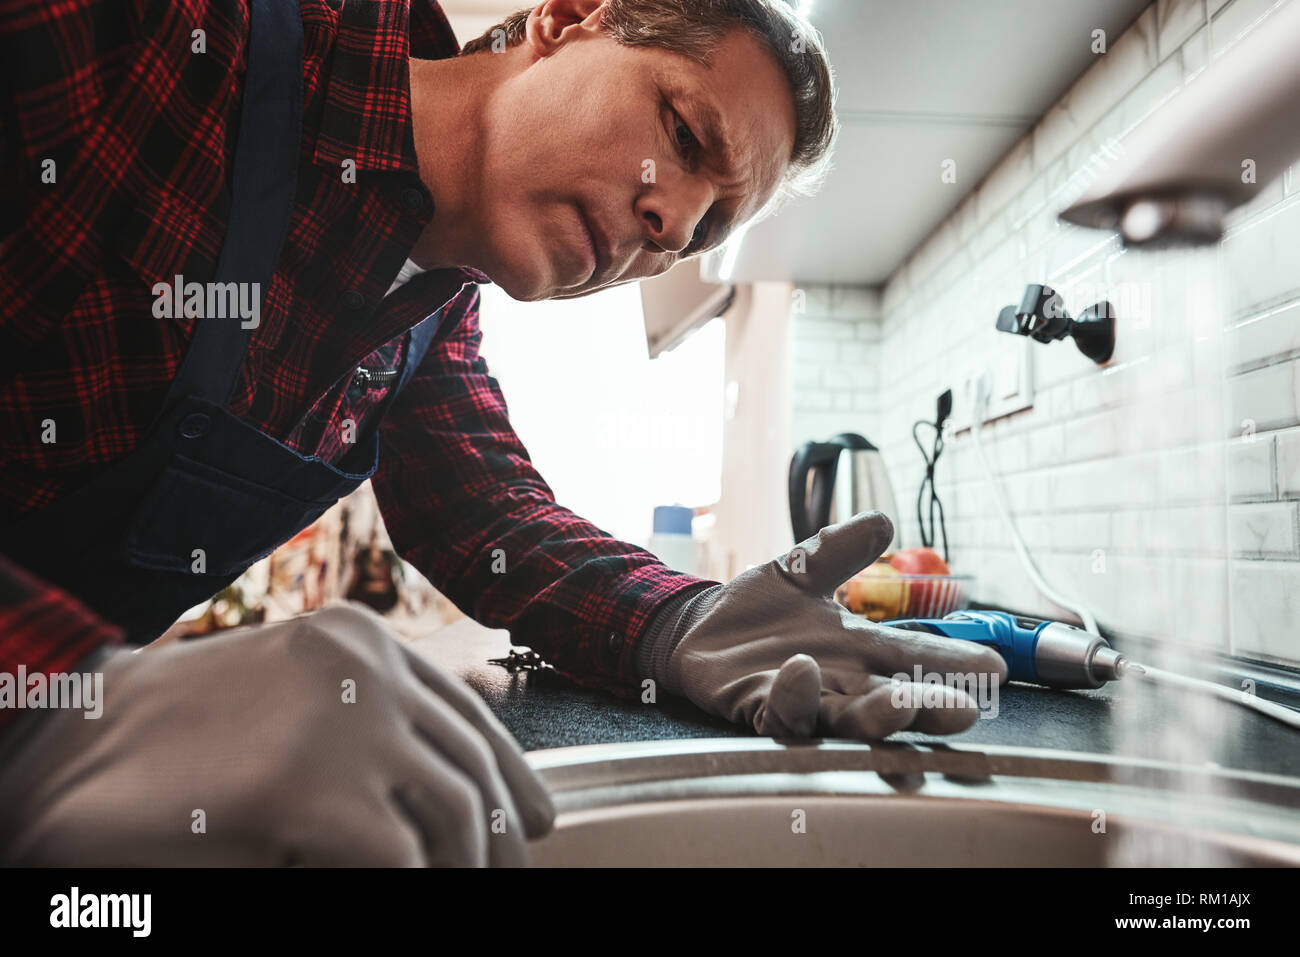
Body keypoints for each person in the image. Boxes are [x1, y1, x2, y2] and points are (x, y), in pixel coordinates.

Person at [0, 0, 1006, 865]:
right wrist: (54, 707)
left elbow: (492, 517)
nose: (669, 231)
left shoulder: (426, 322)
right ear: (569, 17)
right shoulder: (144, 41)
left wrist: (676, 622)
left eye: (705, 231)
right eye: (687, 138)